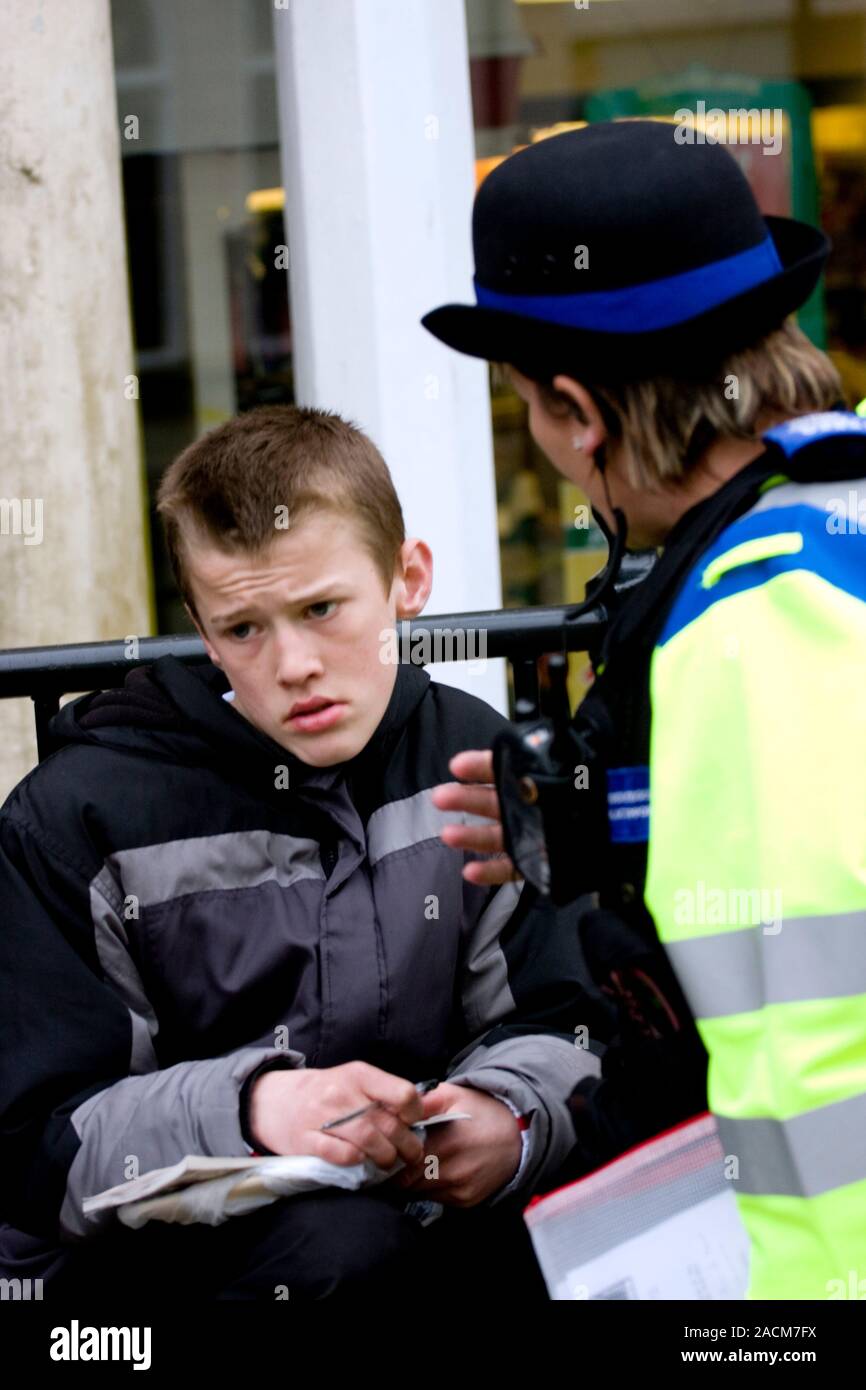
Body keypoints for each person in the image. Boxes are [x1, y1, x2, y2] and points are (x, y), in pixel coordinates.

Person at [0, 405, 611, 1301]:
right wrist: (253, 1111)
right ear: (205, 635)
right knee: (341, 1253)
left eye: (322, 609)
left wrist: (507, 1116)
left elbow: (563, 1012)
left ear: (409, 579)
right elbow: (37, 1143)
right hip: (144, 1271)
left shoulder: (471, 755)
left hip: (419, 1218)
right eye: (244, 629)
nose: (293, 665)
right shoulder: (77, 817)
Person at [422, 119, 866, 1300]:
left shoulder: (750, 617)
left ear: (578, 409)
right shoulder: (832, 517)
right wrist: (607, 818)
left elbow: (811, 1017)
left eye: (522, 400)